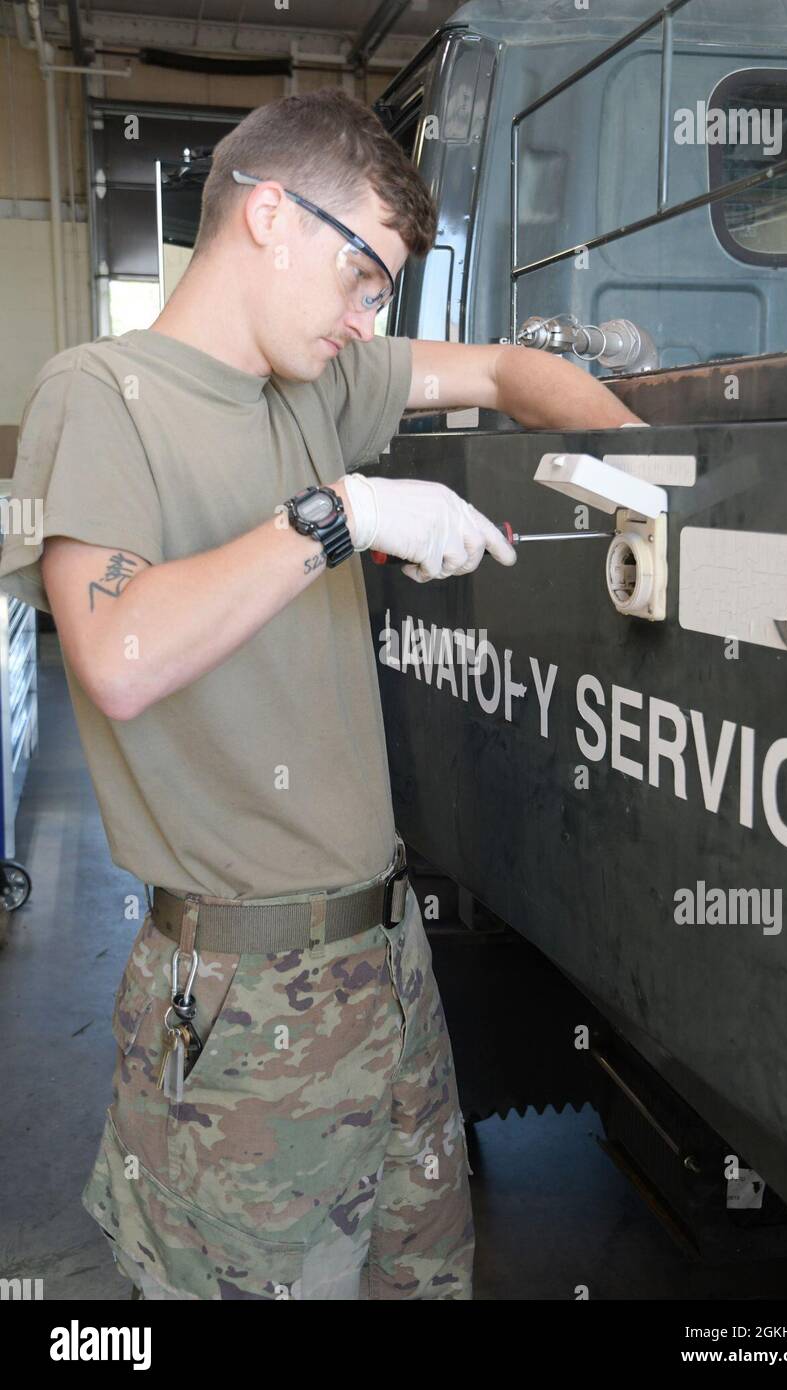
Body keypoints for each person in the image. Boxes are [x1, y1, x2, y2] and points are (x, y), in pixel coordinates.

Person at [0, 89, 641, 1301]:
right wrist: (335, 516)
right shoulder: (103, 394)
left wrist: (678, 491)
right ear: (265, 216)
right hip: (241, 1002)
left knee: (425, 1275)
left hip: (385, 963)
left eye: (382, 294)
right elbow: (119, 657)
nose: (366, 320)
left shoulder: (315, 388)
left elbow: (507, 368)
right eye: (360, 276)